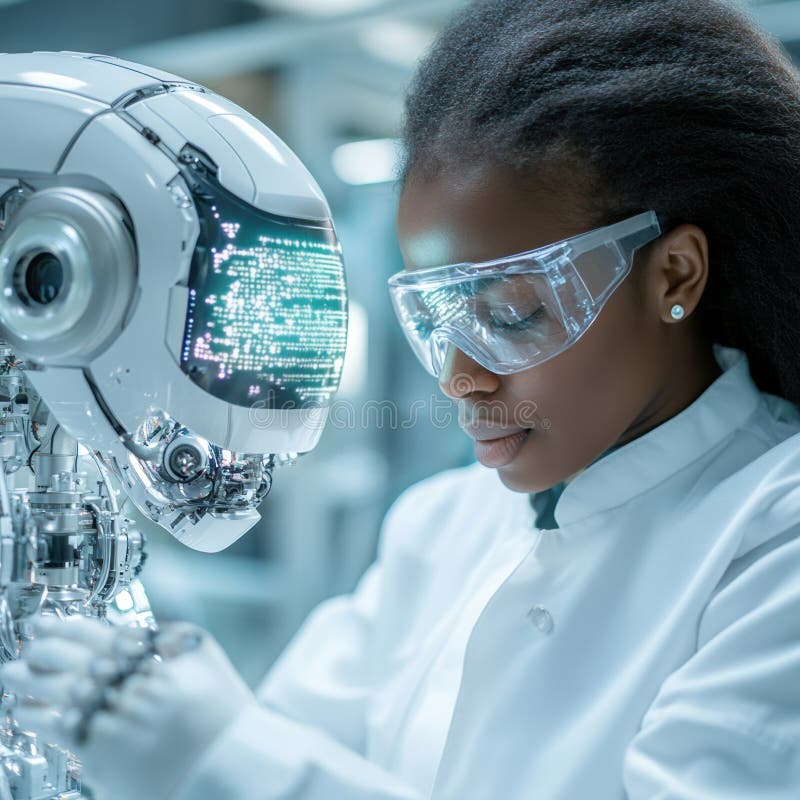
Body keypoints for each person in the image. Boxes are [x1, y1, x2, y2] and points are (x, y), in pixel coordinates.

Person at [4, 1, 800, 798]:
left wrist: (226, 759)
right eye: (435, 319)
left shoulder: (776, 540)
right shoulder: (443, 524)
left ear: (674, 276)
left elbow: (252, 760)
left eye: (514, 313)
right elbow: (288, 735)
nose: (459, 376)